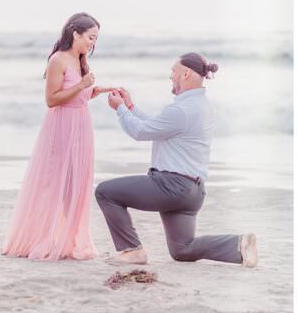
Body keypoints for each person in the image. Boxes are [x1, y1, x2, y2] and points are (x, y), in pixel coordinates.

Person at [96, 53, 258, 267]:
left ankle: (131, 251)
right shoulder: (202, 105)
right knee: (182, 250)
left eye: (173, 71)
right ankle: (238, 245)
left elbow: (141, 132)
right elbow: (157, 125)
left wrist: (120, 109)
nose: (171, 76)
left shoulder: (182, 109)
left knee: (105, 192)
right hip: (193, 191)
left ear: (186, 74)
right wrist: (131, 107)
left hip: (170, 186)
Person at [2, 13, 115, 260]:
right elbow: (52, 100)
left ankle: (72, 239)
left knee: (78, 182)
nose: (93, 43)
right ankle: (51, 238)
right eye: (91, 37)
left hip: (82, 125)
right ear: (76, 33)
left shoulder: (81, 60)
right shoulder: (58, 60)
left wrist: (95, 90)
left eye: (96, 39)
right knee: (58, 182)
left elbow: (77, 96)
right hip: (62, 126)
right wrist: (82, 85)